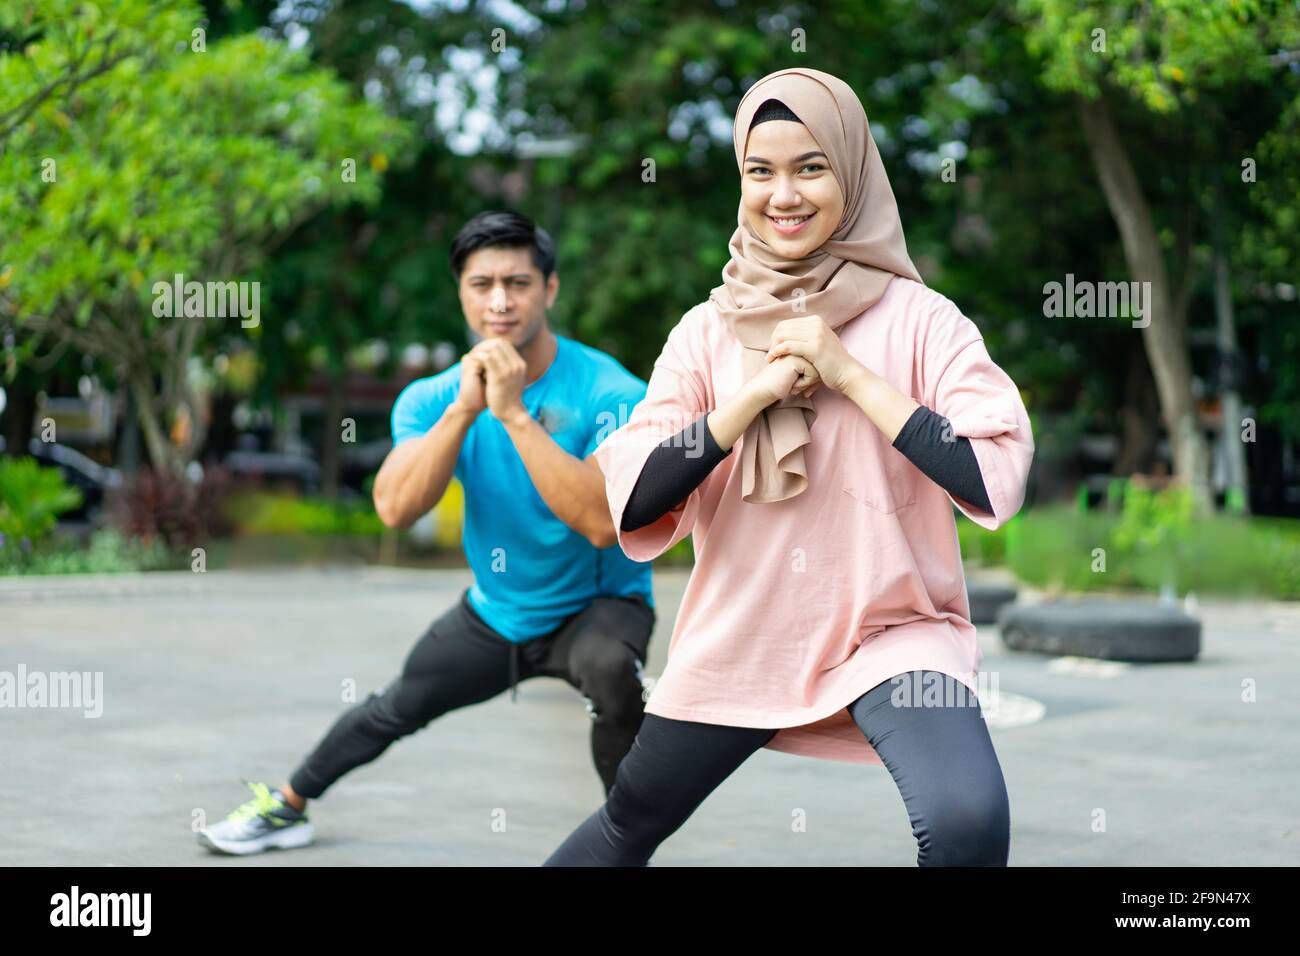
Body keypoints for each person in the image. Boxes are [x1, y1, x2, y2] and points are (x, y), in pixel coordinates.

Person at [543, 68, 1035, 867]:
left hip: (893, 633)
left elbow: (993, 474)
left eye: (811, 167)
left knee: (968, 823)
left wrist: (850, 375)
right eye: (759, 171)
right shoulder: (707, 331)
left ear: (853, 172)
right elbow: (634, 492)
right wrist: (753, 397)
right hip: (744, 634)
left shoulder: (923, 319)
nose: (785, 194)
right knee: (628, 821)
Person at [199, 211, 657, 855]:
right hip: (501, 610)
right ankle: (286, 807)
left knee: (612, 676)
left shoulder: (612, 391)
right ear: (461, 294)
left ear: (549, 290)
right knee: (398, 704)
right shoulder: (431, 397)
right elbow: (394, 508)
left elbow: (603, 524)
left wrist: (515, 416)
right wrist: (466, 410)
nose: (500, 300)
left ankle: (625, 845)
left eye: (518, 283)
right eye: (482, 284)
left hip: (599, 607)